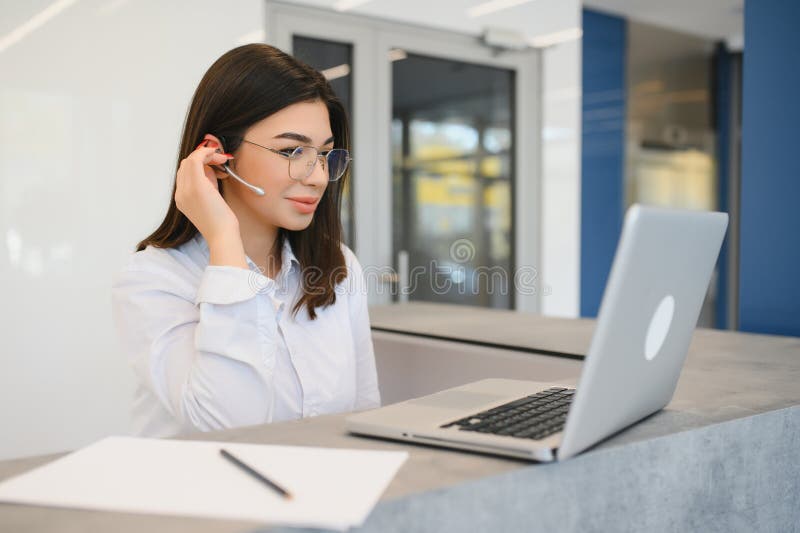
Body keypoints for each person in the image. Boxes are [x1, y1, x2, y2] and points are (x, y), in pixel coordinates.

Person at [111, 44, 380, 438]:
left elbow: (363, 416)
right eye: (292, 150)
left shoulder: (337, 264)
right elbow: (229, 426)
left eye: (323, 154)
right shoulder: (153, 279)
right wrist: (224, 240)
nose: (318, 176)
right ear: (217, 155)